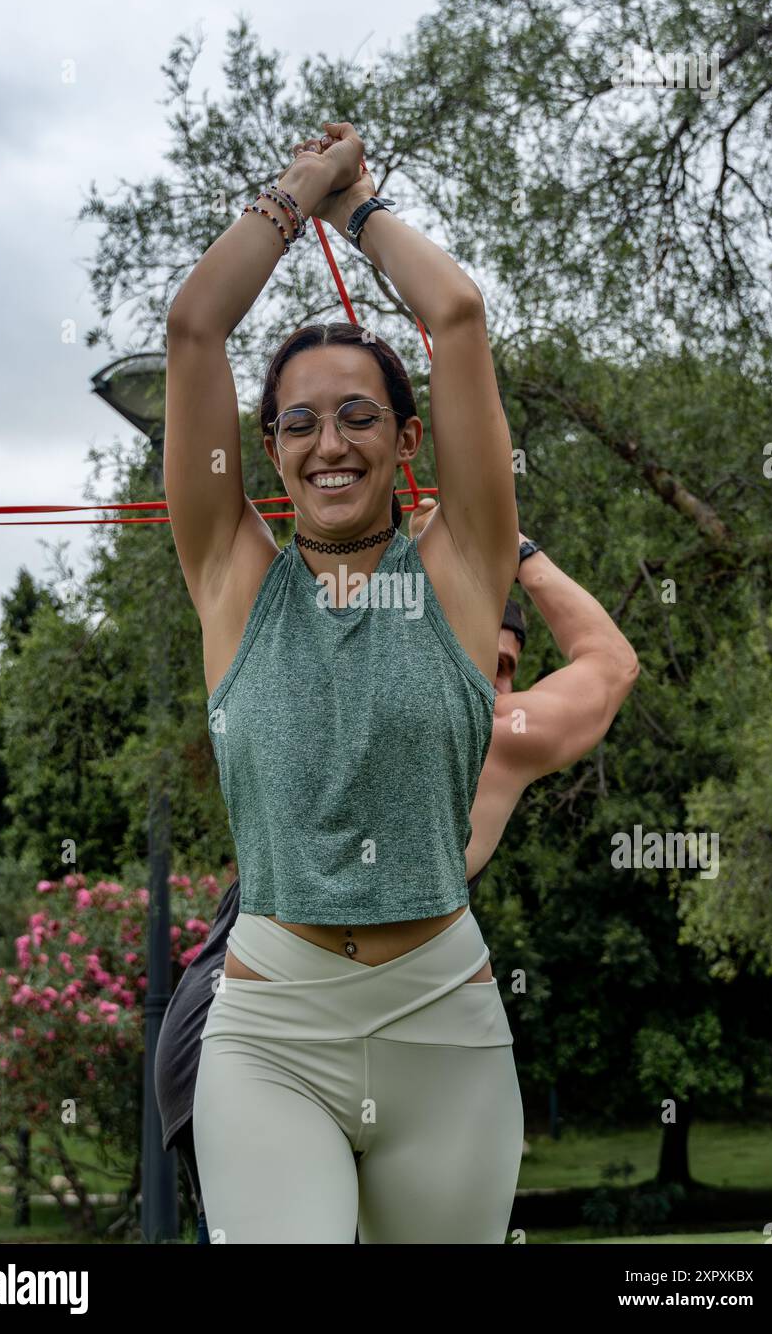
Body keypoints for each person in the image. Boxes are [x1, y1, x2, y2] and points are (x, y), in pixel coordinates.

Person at [165, 116, 574, 1243]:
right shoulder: (231, 577)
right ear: (270, 449)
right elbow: (196, 328)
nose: (329, 443)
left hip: (443, 1025)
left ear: (406, 438)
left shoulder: (462, 566)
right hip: (271, 1030)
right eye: (298, 424)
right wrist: (296, 191)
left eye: (358, 416)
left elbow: (458, 316)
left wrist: (359, 210)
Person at [156, 504, 638, 1242]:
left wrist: (517, 548)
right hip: (246, 1022)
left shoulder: (507, 734)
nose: (490, 680)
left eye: (506, 666)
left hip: (394, 1029)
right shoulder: (347, 694)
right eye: (475, 652)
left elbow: (613, 667)